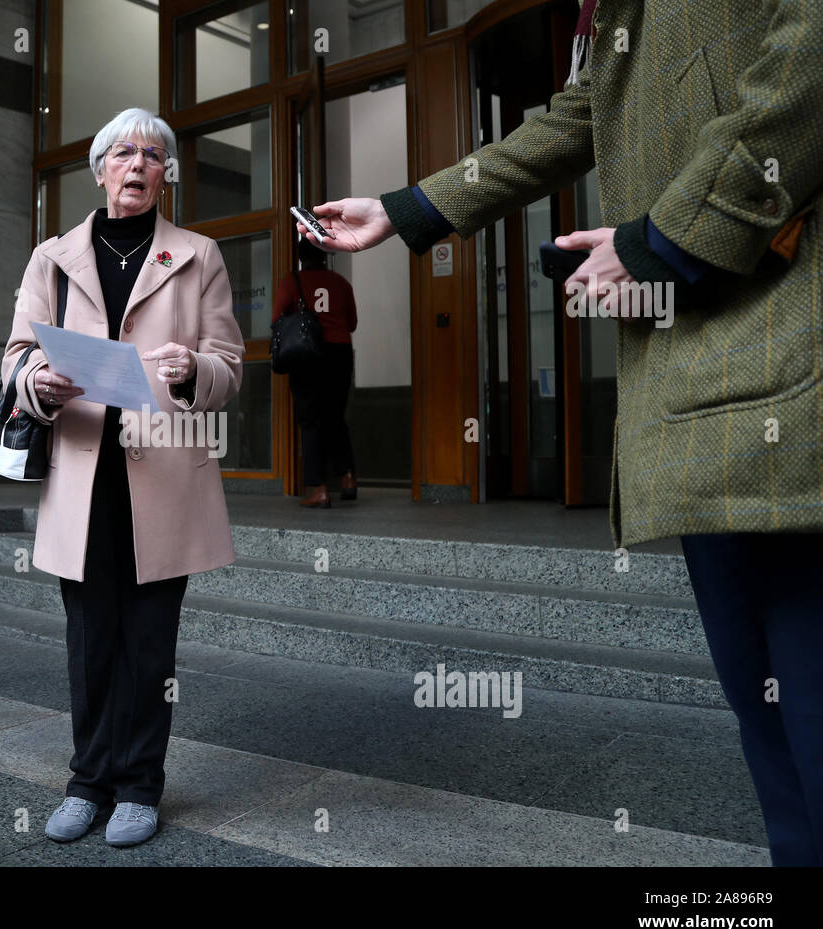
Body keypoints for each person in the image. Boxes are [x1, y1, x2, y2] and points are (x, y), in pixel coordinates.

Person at [297, 0, 823, 865]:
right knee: (766, 723)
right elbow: (575, 115)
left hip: (787, 382)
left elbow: (804, 69)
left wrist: (667, 241)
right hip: (700, 401)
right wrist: (410, 208)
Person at [1, 107, 244, 848]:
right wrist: (37, 383)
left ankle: (140, 785)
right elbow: (14, 353)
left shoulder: (198, 256)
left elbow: (230, 368)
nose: (138, 164)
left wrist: (192, 369)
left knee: (149, 643)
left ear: (166, 174)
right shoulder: (52, 257)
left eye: (154, 155)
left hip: (163, 475)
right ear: (101, 168)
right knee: (89, 639)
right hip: (82, 474)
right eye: (124, 153)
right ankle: (87, 780)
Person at [273, 239, 358, 508]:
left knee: (310, 420)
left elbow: (276, 319)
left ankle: (318, 489)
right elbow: (352, 323)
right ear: (325, 256)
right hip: (340, 353)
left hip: (308, 355)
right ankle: (347, 477)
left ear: (300, 257)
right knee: (335, 416)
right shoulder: (341, 283)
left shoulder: (291, 281)